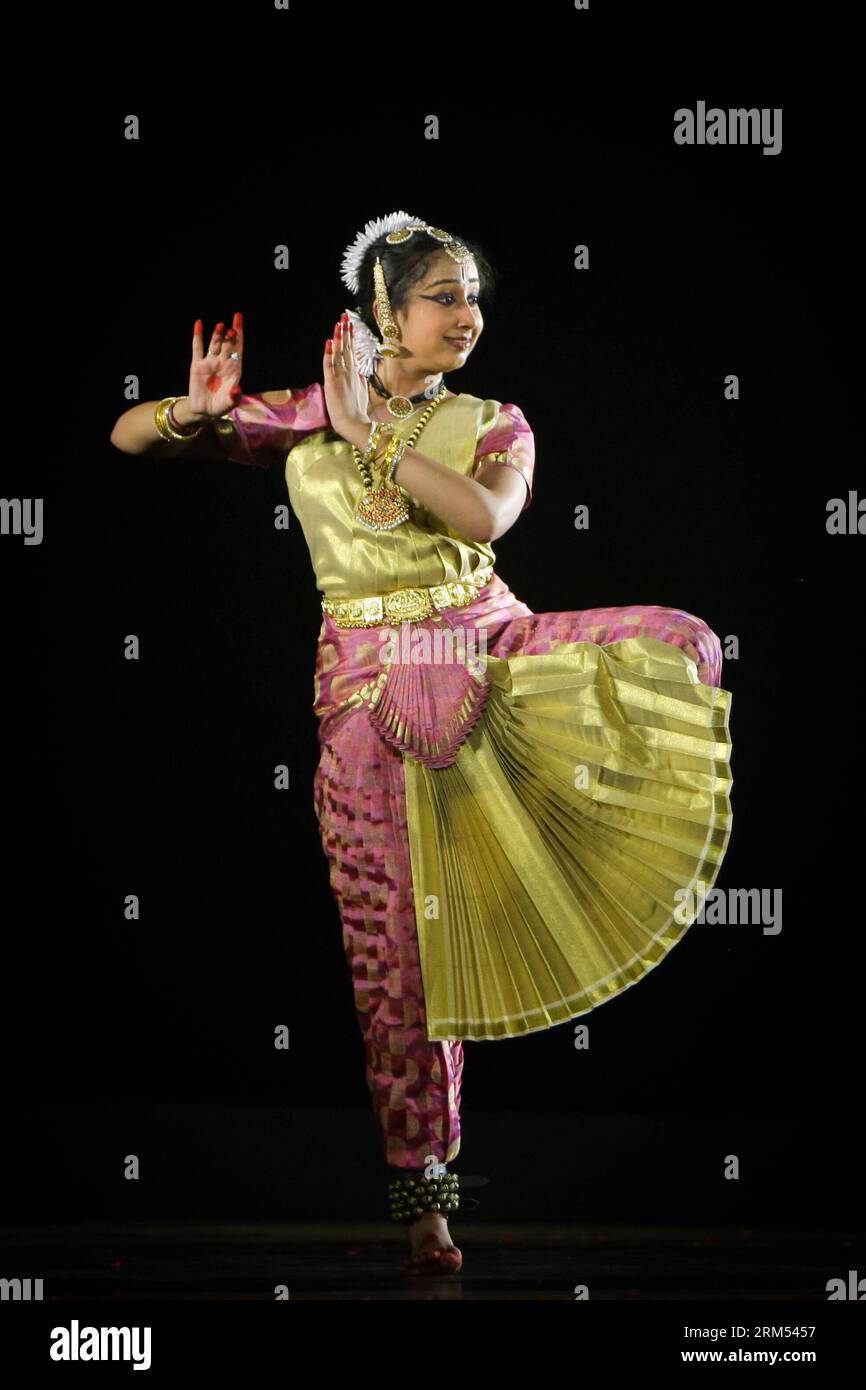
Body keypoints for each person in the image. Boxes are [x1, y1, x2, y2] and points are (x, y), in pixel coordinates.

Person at [110, 211, 734, 1277]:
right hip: (362, 702)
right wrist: (193, 415)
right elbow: (127, 434)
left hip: (492, 655)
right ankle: (426, 1206)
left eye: (470, 296)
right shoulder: (306, 415)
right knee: (395, 961)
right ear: (382, 315)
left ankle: (592, 836)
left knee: (678, 646)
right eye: (443, 295)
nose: (466, 314)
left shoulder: (494, 422)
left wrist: (366, 435)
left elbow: (486, 521)